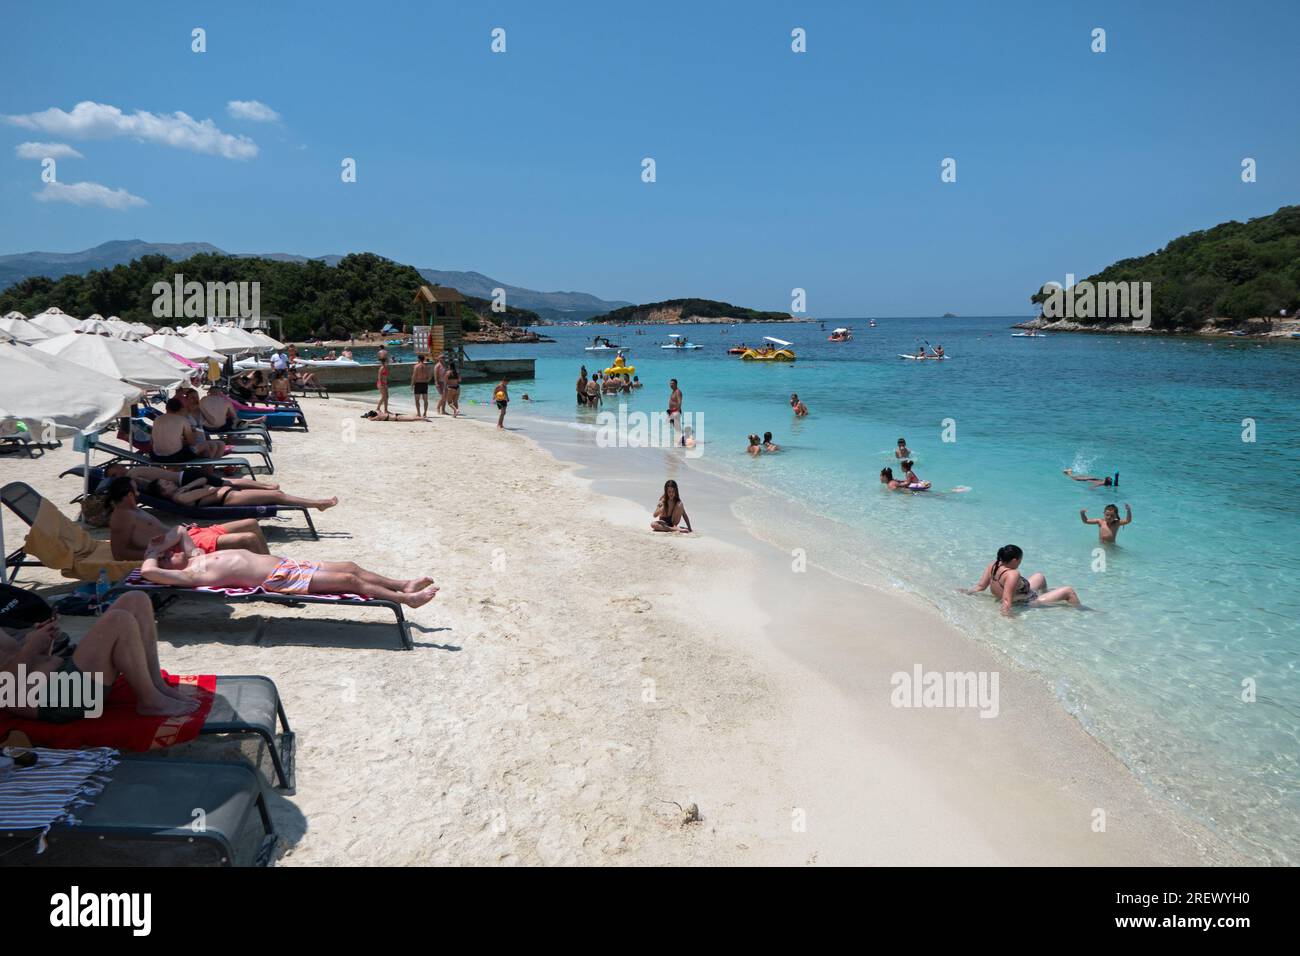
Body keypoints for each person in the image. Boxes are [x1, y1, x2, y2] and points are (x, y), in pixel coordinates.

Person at [0, 590, 199, 720]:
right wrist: (30, 648)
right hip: (54, 701)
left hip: (61, 676)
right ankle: (150, 701)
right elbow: (5, 692)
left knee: (135, 599)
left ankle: (156, 685)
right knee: (118, 620)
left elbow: (23, 660)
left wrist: (43, 640)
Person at [141, 527, 439, 608]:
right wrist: (154, 553)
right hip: (279, 577)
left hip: (287, 564)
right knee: (349, 579)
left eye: (170, 553)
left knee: (350, 565)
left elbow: (180, 529)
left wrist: (164, 544)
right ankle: (405, 600)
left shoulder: (193, 556)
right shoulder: (190, 573)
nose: (171, 554)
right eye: (168, 557)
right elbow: (148, 572)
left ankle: (401, 584)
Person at [107, 476, 268, 559]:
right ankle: (271, 577)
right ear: (128, 495)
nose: (139, 493)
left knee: (251, 523)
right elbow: (119, 553)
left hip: (187, 534)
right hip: (179, 546)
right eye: (135, 490)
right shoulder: (122, 517)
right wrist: (157, 554)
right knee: (248, 539)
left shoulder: (132, 509)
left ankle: (276, 566)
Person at [960, 544, 1082, 617]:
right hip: (1026, 601)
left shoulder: (993, 565)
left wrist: (967, 592)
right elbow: (1007, 600)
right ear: (1014, 561)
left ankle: (1047, 594)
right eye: (1020, 560)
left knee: (1040, 576)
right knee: (1069, 591)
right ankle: (1080, 611)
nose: (1020, 562)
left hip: (1023, 592)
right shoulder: (1012, 574)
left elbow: (981, 586)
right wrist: (1007, 616)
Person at [143, 473, 338, 511]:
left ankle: (317, 503)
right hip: (229, 498)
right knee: (277, 496)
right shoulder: (180, 497)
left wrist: (188, 485)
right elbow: (210, 489)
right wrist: (191, 489)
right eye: (165, 484)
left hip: (230, 493)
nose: (169, 483)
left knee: (277, 495)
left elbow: (203, 479)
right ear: (163, 492)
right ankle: (318, 504)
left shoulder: (182, 491)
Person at [150, 397, 225, 463]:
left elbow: (152, 441)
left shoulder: (157, 419)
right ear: (180, 409)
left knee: (213, 445)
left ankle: (206, 470)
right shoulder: (182, 420)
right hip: (175, 457)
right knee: (208, 446)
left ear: (166, 408)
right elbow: (192, 442)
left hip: (155, 456)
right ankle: (207, 472)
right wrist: (195, 433)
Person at [375, 348, 391, 415]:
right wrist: (382, 384)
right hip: (381, 384)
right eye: (387, 361)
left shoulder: (385, 367)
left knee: (387, 396)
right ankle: (378, 408)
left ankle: (386, 410)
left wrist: (386, 384)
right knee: (383, 396)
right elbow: (379, 377)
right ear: (385, 362)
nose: (388, 362)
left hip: (385, 383)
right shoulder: (382, 367)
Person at [362, 410, 428, 422]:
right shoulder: (380, 413)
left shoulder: (378, 417)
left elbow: (371, 419)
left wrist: (367, 417)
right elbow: (376, 410)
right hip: (395, 415)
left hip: (397, 418)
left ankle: (423, 418)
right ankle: (421, 418)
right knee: (410, 417)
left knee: (411, 419)